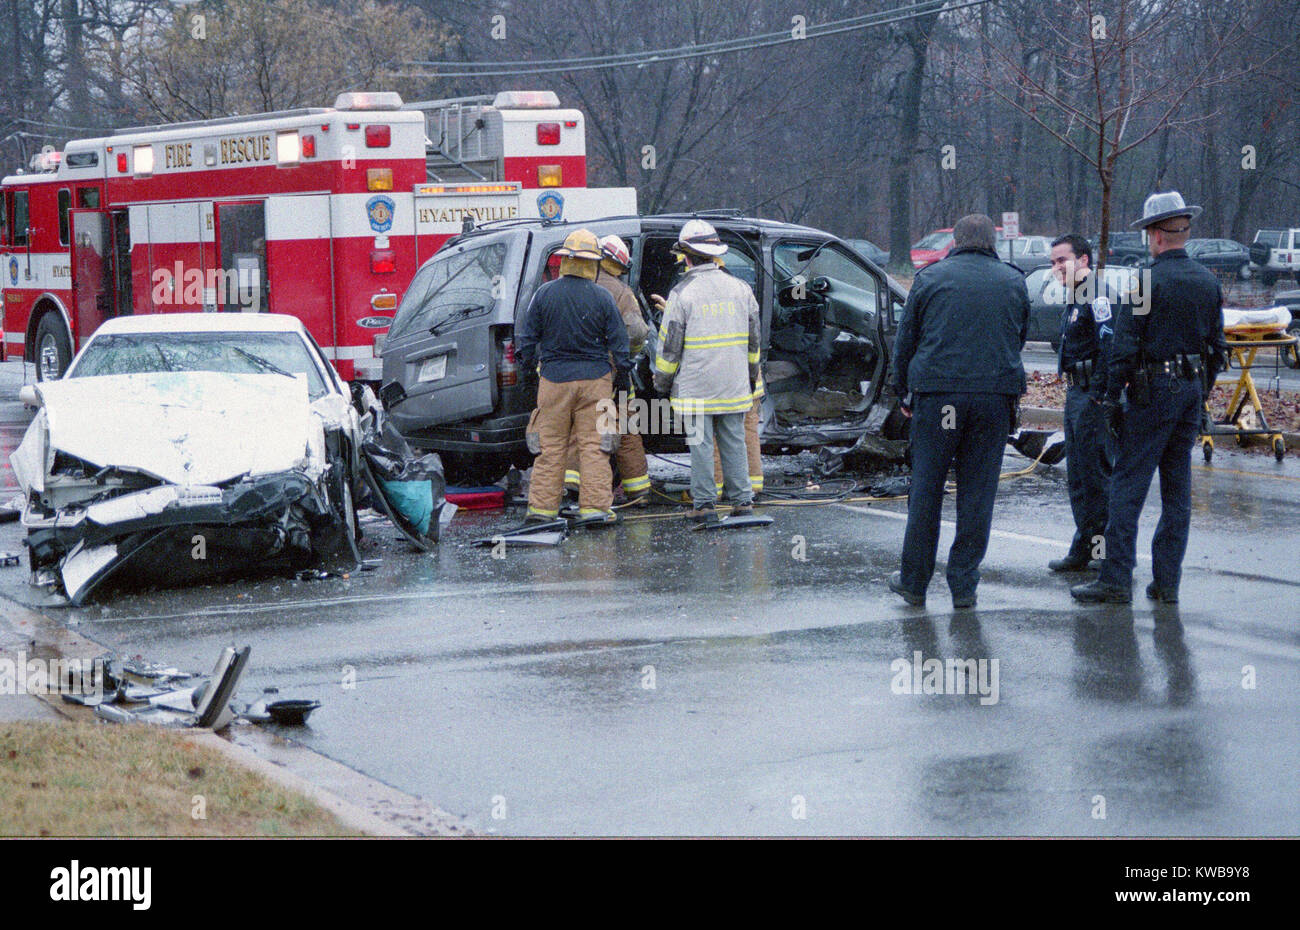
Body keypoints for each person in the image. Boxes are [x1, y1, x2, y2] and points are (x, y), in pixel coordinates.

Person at [1072, 192, 1227, 604]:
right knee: (1177, 491)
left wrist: (1107, 397)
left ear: (1156, 236)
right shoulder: (1209, 282)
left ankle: (1116, 579)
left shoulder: (1144, 282)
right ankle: (1167, 582)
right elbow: (1217, 348)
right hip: (1190, 391)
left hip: (1152, 392)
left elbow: (1124, 347)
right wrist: (1201, 390)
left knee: (1128, 486)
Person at [888, 213, 1029, 608]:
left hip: (937, 397)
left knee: (927, 490)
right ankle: (964, 585)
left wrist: (904, 393)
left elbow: (906, 342)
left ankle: (914, 582)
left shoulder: (930, 279)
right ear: (992, 243)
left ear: (955, 242)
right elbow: (1018, 337)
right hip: (993, 399)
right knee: (978, 493)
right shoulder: (1014, 280)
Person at [516, 228, 631, 525]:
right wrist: (623, 376)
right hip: (595, 382)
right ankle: (594, 509)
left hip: (553, 380)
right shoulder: (603, 297)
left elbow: (527, 339)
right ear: (593, 264)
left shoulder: (544, 294)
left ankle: (542, 511)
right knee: (595, 446)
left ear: (566, 260)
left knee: (550, 447)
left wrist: (529, 370)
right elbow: (620, 342)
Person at [651, 219, 761, 523]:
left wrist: (662, 382)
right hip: (734, 384)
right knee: (734, 441)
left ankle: (704, 505)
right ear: (714, 255)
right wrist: (750, 379)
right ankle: (742, 502)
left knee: (700, 446)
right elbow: (754, 343)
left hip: (697, 388)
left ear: (686, 256)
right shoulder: (742, 289)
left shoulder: (682, 294)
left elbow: (669, 349)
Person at [562, 235, 653, 504]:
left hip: (577, 373)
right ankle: (638, 491)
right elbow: (636, 332)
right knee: (626, 431)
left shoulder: (571, 286)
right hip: (615, 373)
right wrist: (626, 358)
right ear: (620, 265)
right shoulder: (622, 292)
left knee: (580, 431)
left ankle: (572, 487)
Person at [1048, 233, 1117, 573]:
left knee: (1096, 477)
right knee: (1077, 475)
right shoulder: (1078, 296)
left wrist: (1101, 396)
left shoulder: (1097, 295)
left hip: (1092, 395)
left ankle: (1104, 554)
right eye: (1053, 263)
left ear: (1084, 260)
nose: (1057, 267)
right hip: (1077, 393)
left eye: (1063, 260)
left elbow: (1110, 348)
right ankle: (1084, 547)